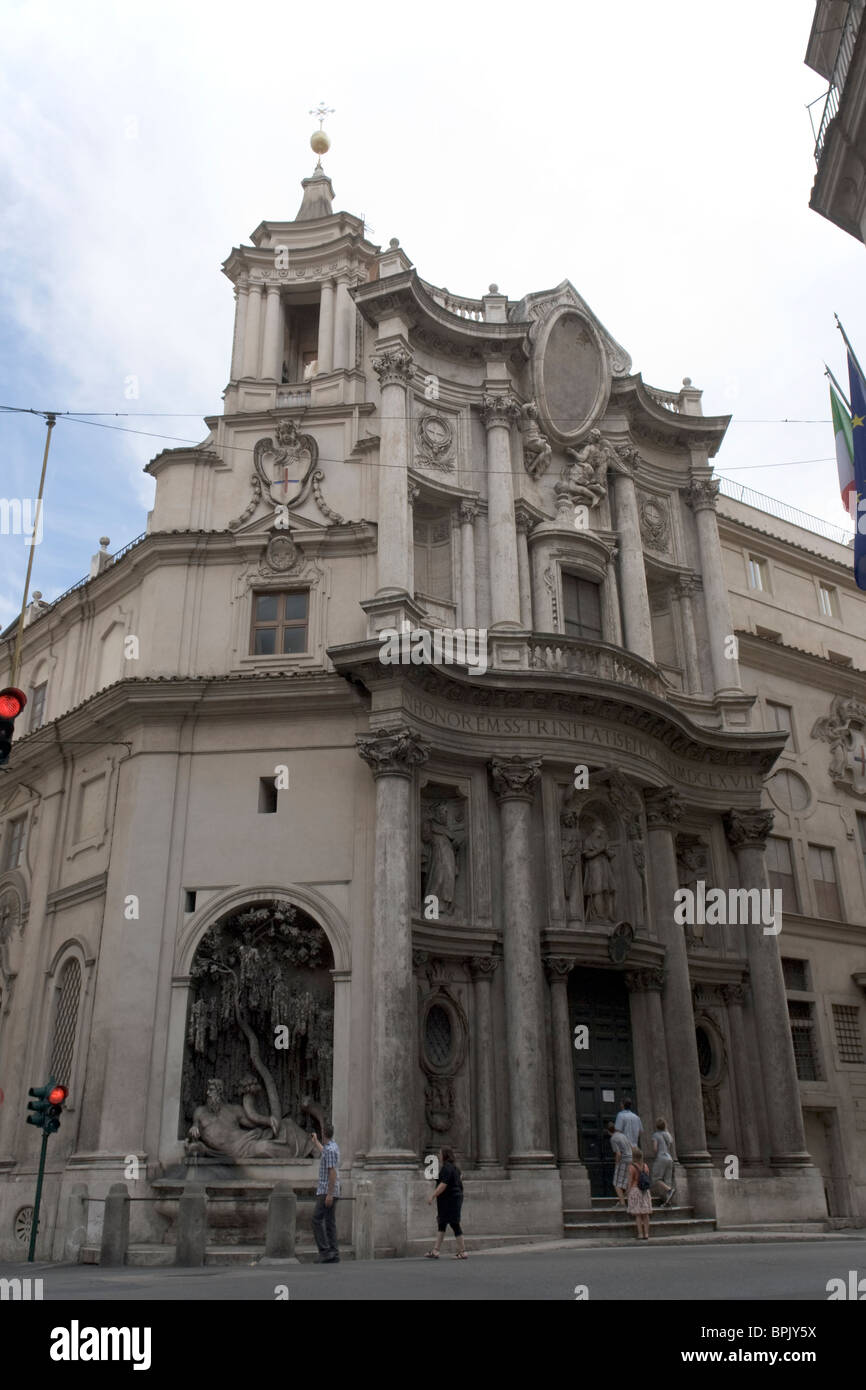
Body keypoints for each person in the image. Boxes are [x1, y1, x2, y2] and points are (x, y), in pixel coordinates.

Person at [425, 1146, 466, 1259]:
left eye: (440, 1153)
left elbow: (444, 1184)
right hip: (451, 1199)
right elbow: (459, 1180)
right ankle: (436, 1250)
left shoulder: (447, 1168)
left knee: (454, 1223)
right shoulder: (455, 1168)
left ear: (445, 1155)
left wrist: (433, 1196)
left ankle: (462, 1251)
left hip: (450, 1199)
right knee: (442, 1223)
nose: (439, 1155)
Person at [310, 1121, 340, 1263]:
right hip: (329, 1190)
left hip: (326, 1190)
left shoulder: (331, 1150)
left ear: (324, 1134)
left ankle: (325, 1251)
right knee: (329, 1222)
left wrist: (329, 1194)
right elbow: (324, 1152)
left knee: (316, 1219)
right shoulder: (331, 1147)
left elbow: (332, 1172)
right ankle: (333, 1252)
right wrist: (316, 1142)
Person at [650, 1117, 677, 1207]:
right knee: (667, 1180)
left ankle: (669, 1190)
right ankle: (667, 1202)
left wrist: (655, 1155)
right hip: (669, 1158)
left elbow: (655, 1148)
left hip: (661, 1157)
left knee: (656, 1179)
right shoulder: (668, 1135)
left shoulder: (655, 1135)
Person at [627, 1146, 652, 1240]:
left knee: (638, 1214)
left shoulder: (631, 1167)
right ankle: (647, 1234)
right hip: (645, 1191)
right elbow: (647, 1177)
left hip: (635, 1190)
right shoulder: (645, 1166)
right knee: (646, 1214)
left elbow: (630, 1181)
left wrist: (628, 1192)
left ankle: (640, 1234)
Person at [606, 1121, 631, 1208]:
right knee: (626, 1181)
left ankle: (622, 1203)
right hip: (631, 1159)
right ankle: (628, 1201)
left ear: (608, 1131)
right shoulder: (623, 1135)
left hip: (623, 1160)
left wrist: (617, 1164)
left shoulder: (613, 1138)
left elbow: (618, 1153)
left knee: (616, 1183)